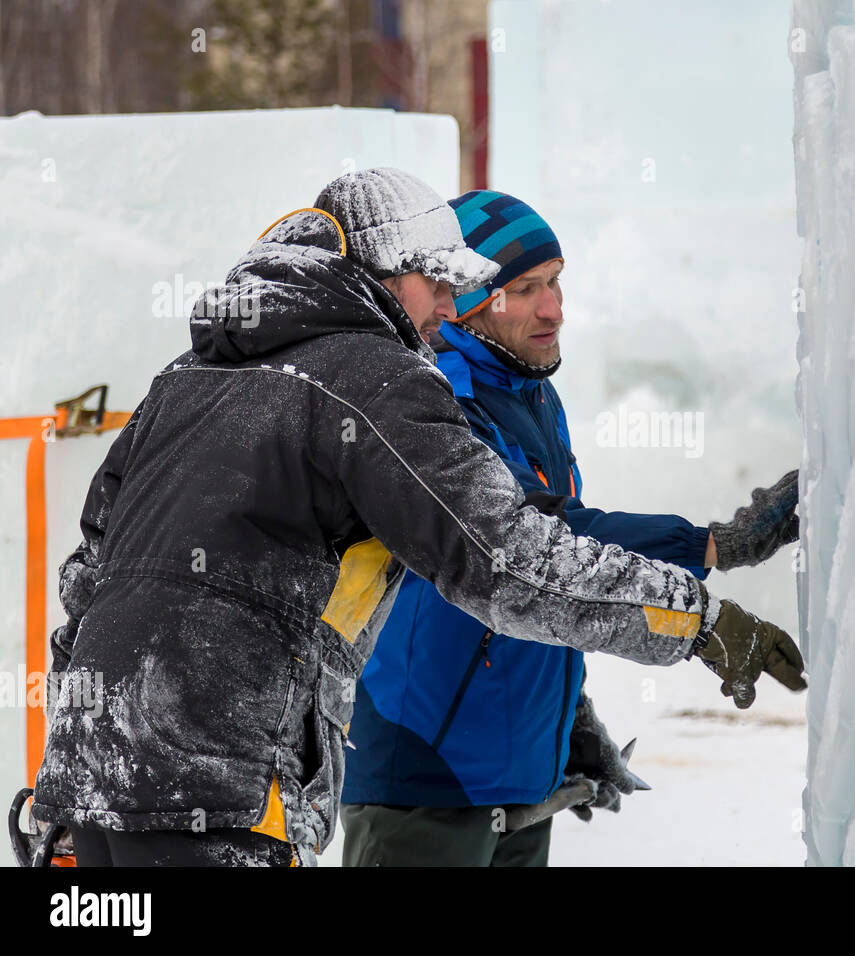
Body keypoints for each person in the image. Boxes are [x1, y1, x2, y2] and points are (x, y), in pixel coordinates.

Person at [28, 168, 806, 868]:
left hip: (90, 791)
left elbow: (88, 584)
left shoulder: (185, 380)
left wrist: (59, 799)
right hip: (223, 797)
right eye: (433, 281)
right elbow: (505, 558)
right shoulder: (372, 376)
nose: (444, 304)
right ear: (374, 273)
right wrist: (695, 621)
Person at [339, 190, 801, 867]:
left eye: (555, 282)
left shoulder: (530, 394)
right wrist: (710, 546)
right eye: (524, 288)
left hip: (520, 783)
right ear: (465, 299)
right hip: (426, 783)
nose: (553, 309)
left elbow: (548, 591)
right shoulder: (434, 398)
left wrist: (566, 725)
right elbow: (541, 540)